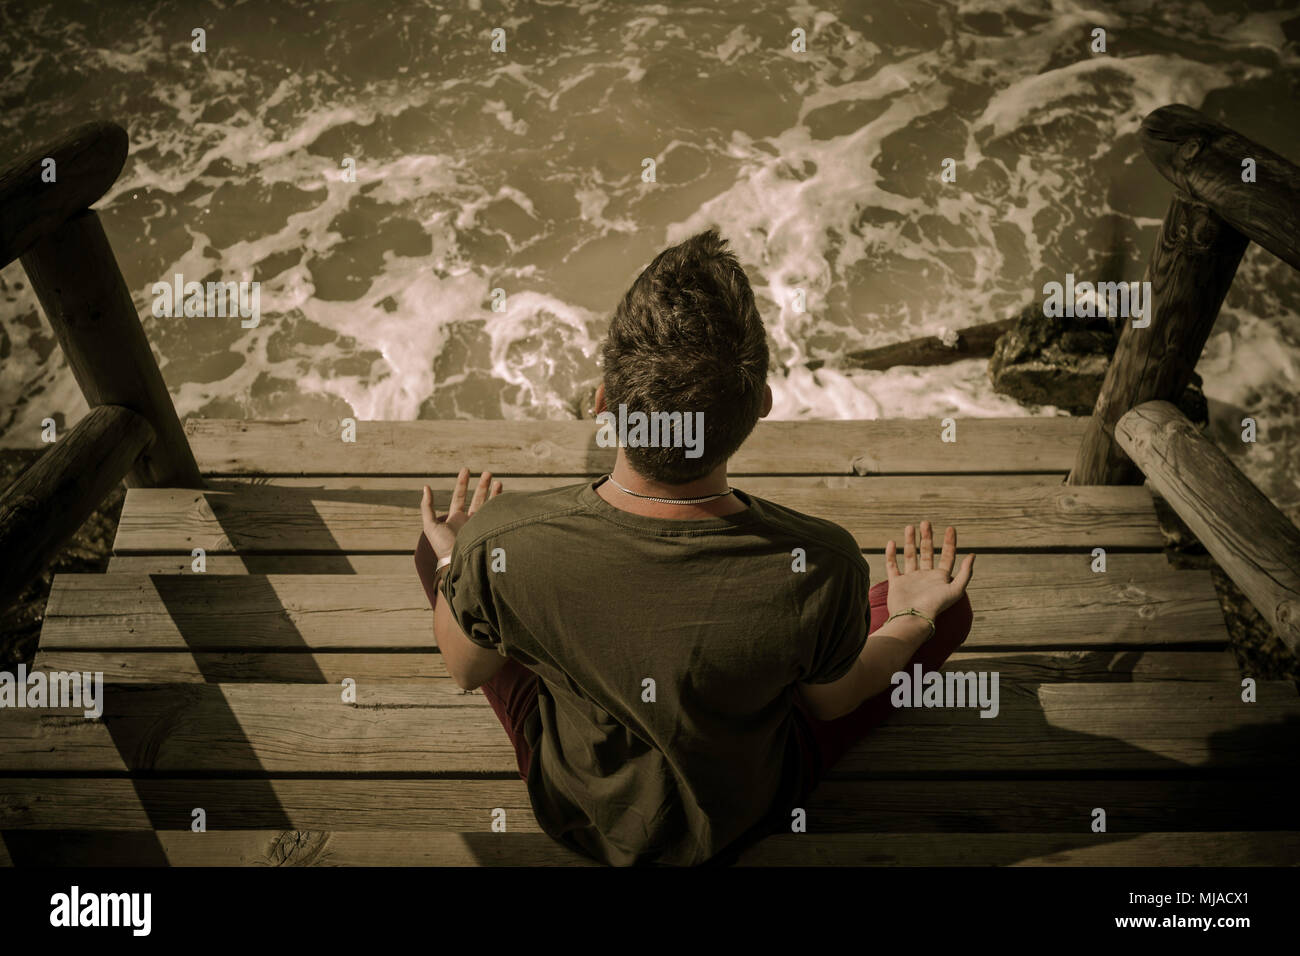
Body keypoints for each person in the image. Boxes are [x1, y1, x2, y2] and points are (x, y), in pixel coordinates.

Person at [413, 229, 974, 866]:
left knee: (443, 561)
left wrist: (463, 558)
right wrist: (912, 617)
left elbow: (467, 670)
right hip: (744, 812)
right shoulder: (822, 562)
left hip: (578, 811)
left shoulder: (505, 541)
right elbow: (831, 701)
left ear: (603, 404)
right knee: (945, 612)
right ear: (762, 405)